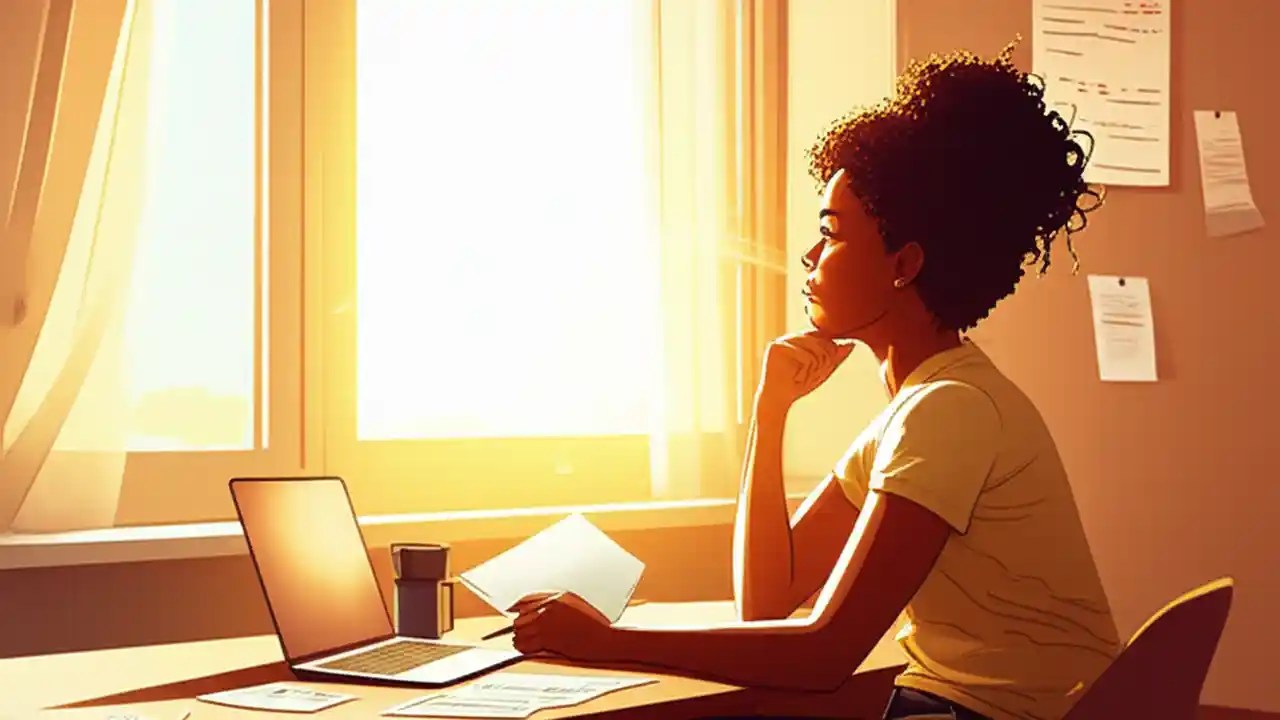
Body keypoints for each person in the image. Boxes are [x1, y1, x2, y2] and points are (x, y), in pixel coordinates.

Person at [507, 41, 1121, 720]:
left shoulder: (949, 411)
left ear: (903, 263)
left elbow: (822, 654)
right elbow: (767, 599)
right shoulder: (923, 405)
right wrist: (770, 414)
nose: (809, 255)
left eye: (831, 233)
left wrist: (607, 641)